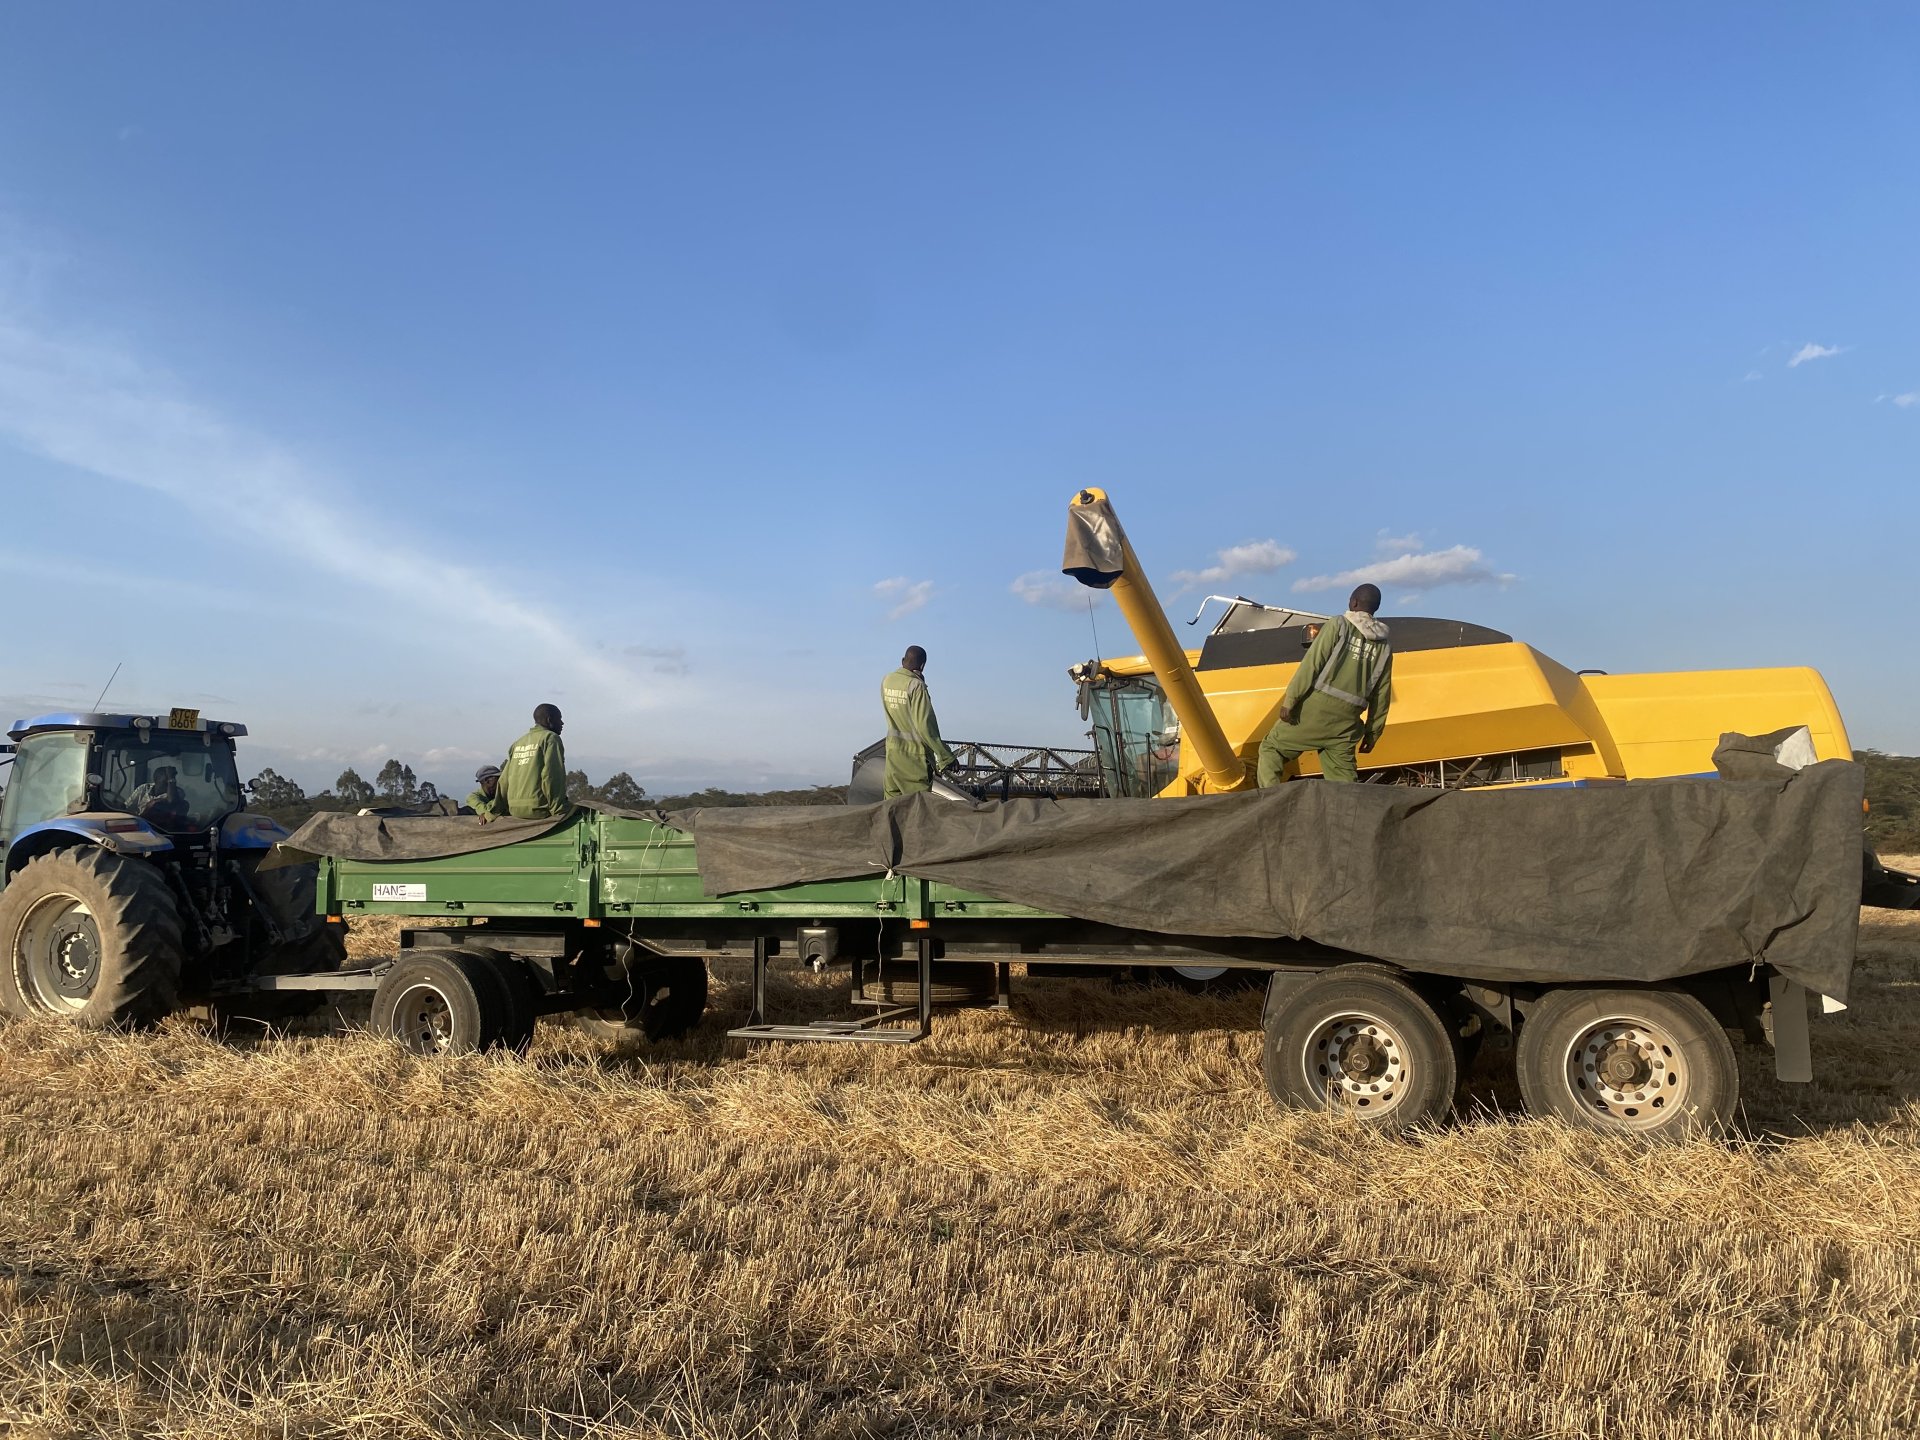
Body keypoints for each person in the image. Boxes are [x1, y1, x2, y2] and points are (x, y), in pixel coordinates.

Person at [1257, 584, 1393, 786]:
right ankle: (1349, 816)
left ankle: (1272, 806)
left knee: (1271, 749)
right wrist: (1373, 734)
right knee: (1344, 784)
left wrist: (1291, 700)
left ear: (1353, 602)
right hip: (1346, 722)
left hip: (1315, 710)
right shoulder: (1385, 646)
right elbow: (1382, 694)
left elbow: (1311, 664)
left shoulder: (1338, 625)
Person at [881, 646, 956, 798]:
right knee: (917, 811)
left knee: (891, 811)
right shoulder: (916, 686)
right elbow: (925, 727)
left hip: (892, 758)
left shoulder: (887, 680)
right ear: (922, 666)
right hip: (914, 759)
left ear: (903, 661)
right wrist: (946, 757)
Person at [499, 704, 569, 818]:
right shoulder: (550, 738)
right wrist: (558, 810)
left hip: (514, 810)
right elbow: (551, 776)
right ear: (549, 720)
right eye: (559, 719)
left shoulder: (518, 743)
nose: (562, 723)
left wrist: (494, 811)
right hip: (538, 809)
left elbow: (504, 780)